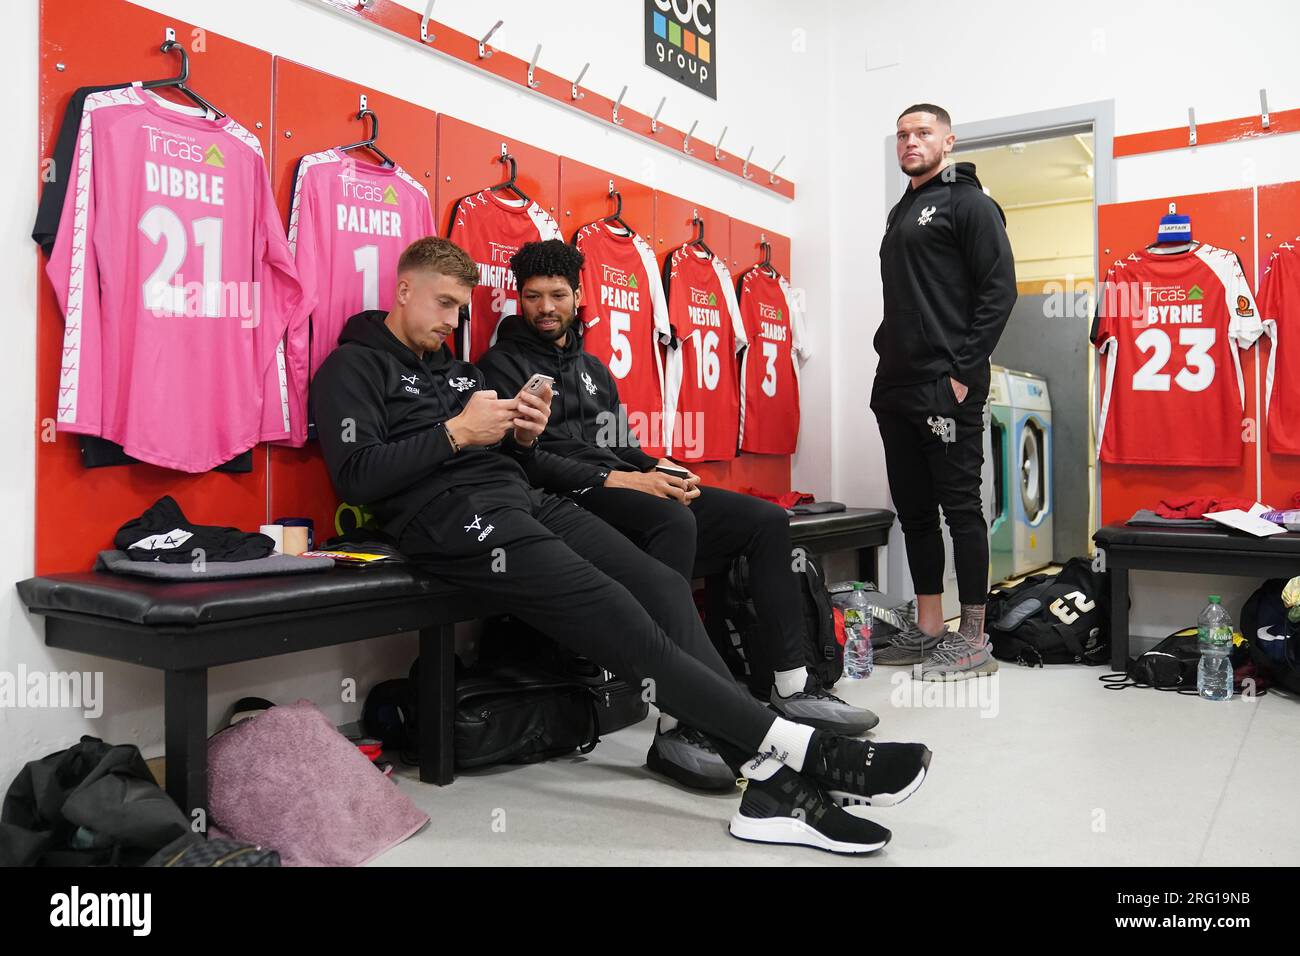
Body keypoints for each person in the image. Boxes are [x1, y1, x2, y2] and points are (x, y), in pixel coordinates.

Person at [311, 236, 931, 854]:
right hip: (455, 520)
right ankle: (794, 755)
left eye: (460, 308)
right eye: (444, 305)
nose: (452, 322)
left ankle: (767, 781)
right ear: (403, 291)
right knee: (616, 615)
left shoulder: (458, 370)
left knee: (661, 585)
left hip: (523, 499)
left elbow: (506, 456)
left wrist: (521, 437)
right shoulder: (353, 367)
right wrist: (455, 432)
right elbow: (358, 474)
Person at [477, 239, 876, 793]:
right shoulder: (500, 364)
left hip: (624, 481)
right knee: (670, 520)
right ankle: (676, 719)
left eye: (557, 295)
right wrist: (626, 478)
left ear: (580, 295)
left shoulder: (593, 367)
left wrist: (663, 467)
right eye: (533, 296)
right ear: (518, 299)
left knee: (762, 521)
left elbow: (621, 442)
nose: (545, 307)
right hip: (567, 499)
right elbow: (525, 461)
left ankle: (790, 684)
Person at [870, 103, 1017, 679]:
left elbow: (999, 292)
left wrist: (961, 370)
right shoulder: (901, 210)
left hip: (945, 385)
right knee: (914, 512)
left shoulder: (970, 204)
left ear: (948, 141)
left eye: (922, 132)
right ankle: (929, 626)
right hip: (897, 385)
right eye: (902, 134)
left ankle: (973, 637)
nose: (909, 141)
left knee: (959, 508)